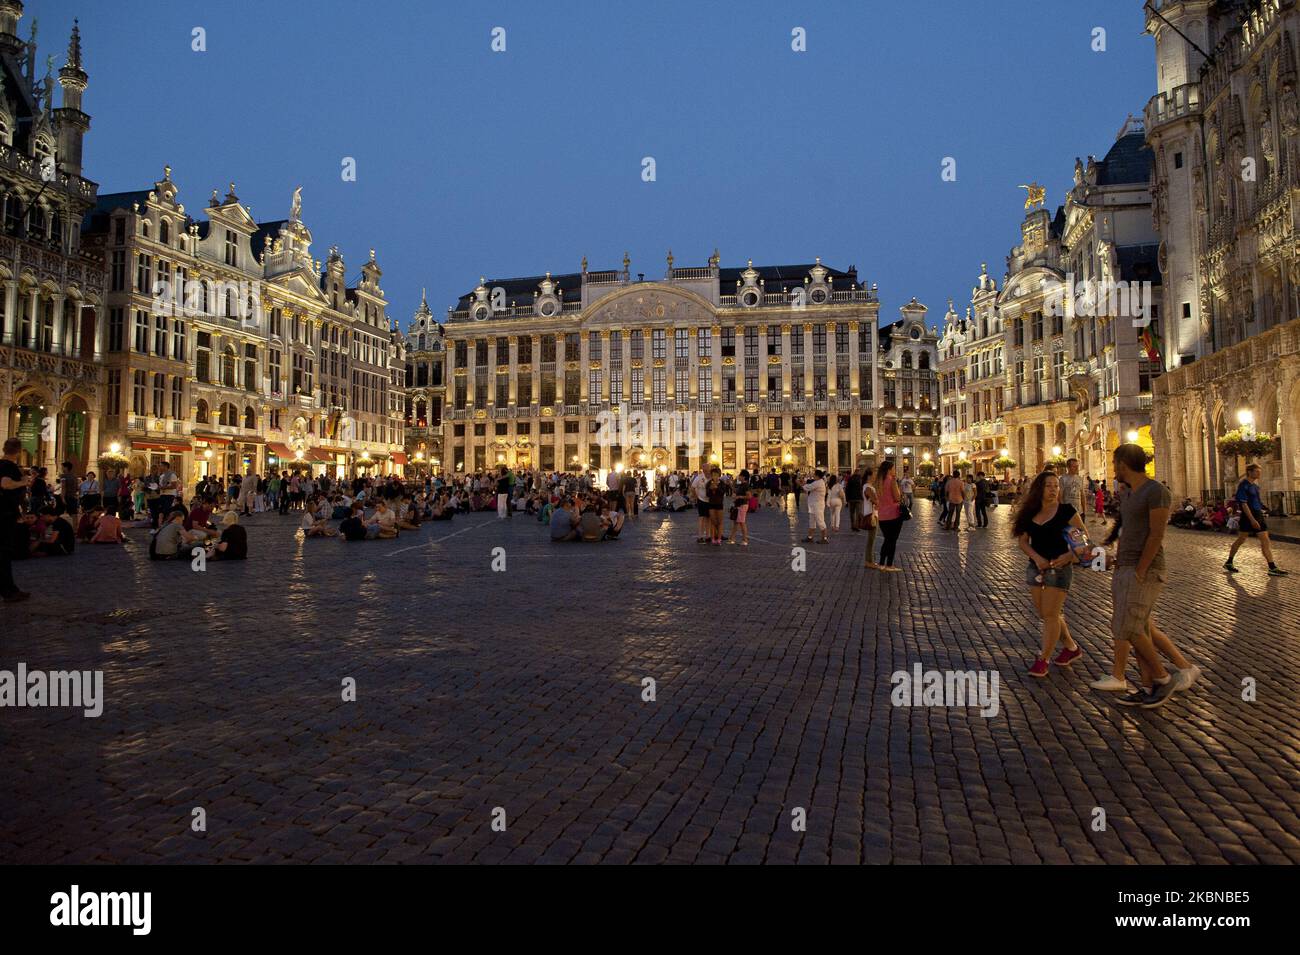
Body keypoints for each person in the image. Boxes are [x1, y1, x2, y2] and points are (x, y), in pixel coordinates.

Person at [1110, 443, 1181, 709]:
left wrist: (1141, 568)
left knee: (1129, 627)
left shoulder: (1156, 492)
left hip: (1146, 569)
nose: (1113, 468)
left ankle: (1163, 677)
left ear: (1124, 464)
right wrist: (1118, 560)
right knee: (1135, 628)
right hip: (1124, 566)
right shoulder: (1128, 494)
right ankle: (1147, 685)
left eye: (1115, 463)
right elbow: (1128, 532)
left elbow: (1157, 534)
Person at [1013, 471, 1086, 677]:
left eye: (1056, 486)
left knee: (1051, 615)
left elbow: (1082, 541)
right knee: (1045, 613)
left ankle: (1043, 658)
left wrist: (1069, 556)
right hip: (1036, 567)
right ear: (1039, 489)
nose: (1054, 490)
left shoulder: (1066, 511)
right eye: (1049, 486)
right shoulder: (1030, 513)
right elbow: (1023, 542)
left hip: (1060, 568)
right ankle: (1071, 648)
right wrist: (1037, 558)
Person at [1224, 463, 1287, 576]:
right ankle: (1229, 561)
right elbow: (1243, 504)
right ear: (1250, 472)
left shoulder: (1255, 486)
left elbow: (1257, 502)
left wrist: (1263, 510)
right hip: (1248, 516)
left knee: (1265, 540)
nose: (1259, 473)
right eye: (1257, 471)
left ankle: (1272, 567)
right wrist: (1252, 520)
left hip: (1258, 515)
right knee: (1241, 539)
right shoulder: (1244, 485)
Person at [0, 439, 30, 602]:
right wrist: (22, 482)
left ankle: (10, 588)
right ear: (18, 452)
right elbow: (5, 484)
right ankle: (9, 591)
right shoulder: (9, 466)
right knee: (4, 553)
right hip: (5, 514)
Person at [874, 460, 904, 572]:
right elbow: (897, 497)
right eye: (893, 468)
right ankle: (889, 564)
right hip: (893, 514)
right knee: (892, 540)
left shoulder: (878, 481)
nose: (894, 470)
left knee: (887, 539)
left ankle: (881, 563)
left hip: (882, 515)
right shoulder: (892, 481)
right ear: (889, 469)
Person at [861, 465, 880, 569]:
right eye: (874, 473)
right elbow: (875, 500)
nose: (876, 475)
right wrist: (877, 501)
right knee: (871, 540)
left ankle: (870, 560)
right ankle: (869, 561)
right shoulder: (867, 487)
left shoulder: (869, 486)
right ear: (869, 476)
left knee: (872, 539)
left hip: (873, 513)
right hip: (871, 514)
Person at [803, 469, 828, 544]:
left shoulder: (818, 482)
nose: (813, 475)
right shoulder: (818, 482)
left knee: (820, 521)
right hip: (813, 505)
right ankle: (810, 537)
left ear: (817, 475)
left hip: (817, 505)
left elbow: (807, 487)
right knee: (812, 522)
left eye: (814, 474)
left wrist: (801, 484)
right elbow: (808, 486)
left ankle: (824, 538)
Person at [706, 467, 726, 545]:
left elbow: (722, 493)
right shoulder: (708, 483)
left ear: (719, 475)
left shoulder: (722, 483)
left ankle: (719, 538)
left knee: (719, 522)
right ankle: (713, 538)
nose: (715, 477)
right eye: (713, 475)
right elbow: (707, 494)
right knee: (713, 522)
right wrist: (711, 489)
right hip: (711, 504)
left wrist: (716, 488)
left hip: (719, 504)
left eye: (716, 475)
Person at [846, 466, 864, 531]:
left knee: (852, 513)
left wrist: (847, 499)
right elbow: (862, 489)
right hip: (858, 498)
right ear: (858, 472)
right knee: (858, 512)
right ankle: (857, 526)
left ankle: (853, 525)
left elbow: (847, 489)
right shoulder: (861, 479)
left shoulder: (850, 478)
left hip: (851, 498)